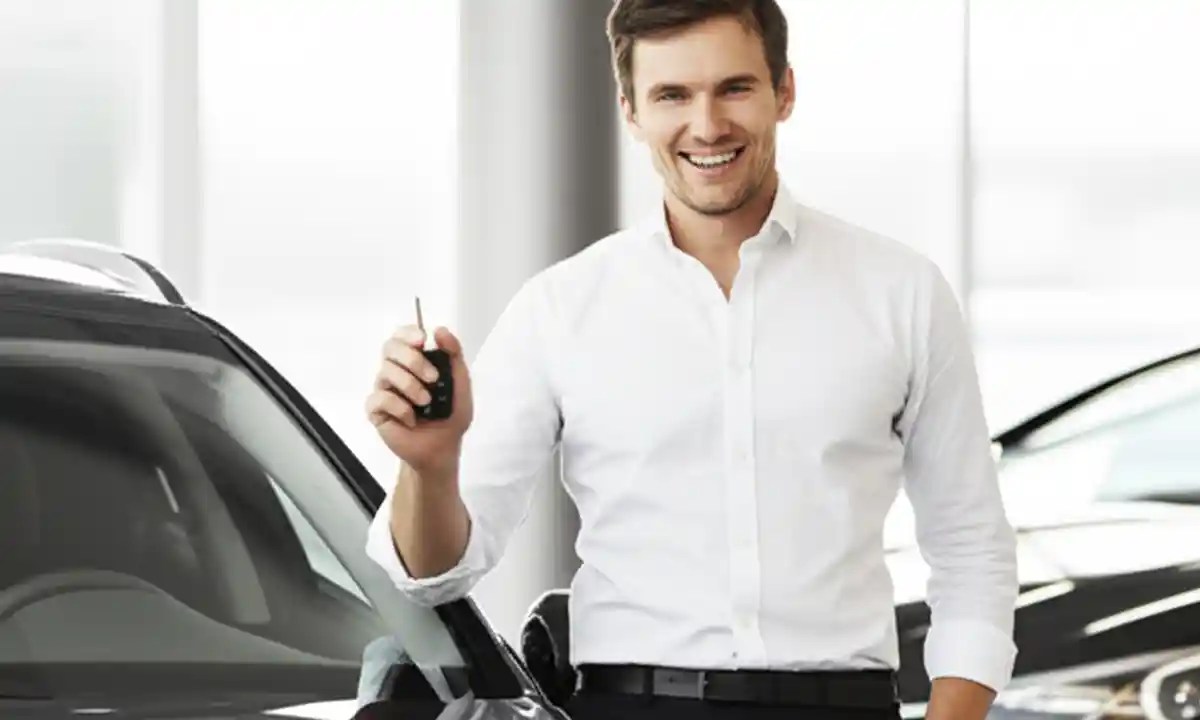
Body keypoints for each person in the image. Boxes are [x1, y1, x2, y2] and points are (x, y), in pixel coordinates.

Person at [363, 1, 1018, 718]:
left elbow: (972, 552)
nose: (707, 126)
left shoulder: (903, 293)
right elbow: (435, 575)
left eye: (734, 88)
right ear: (631, 111)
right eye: (672, 95)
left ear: (784, 91)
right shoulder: (561, 308)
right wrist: (429, 466)